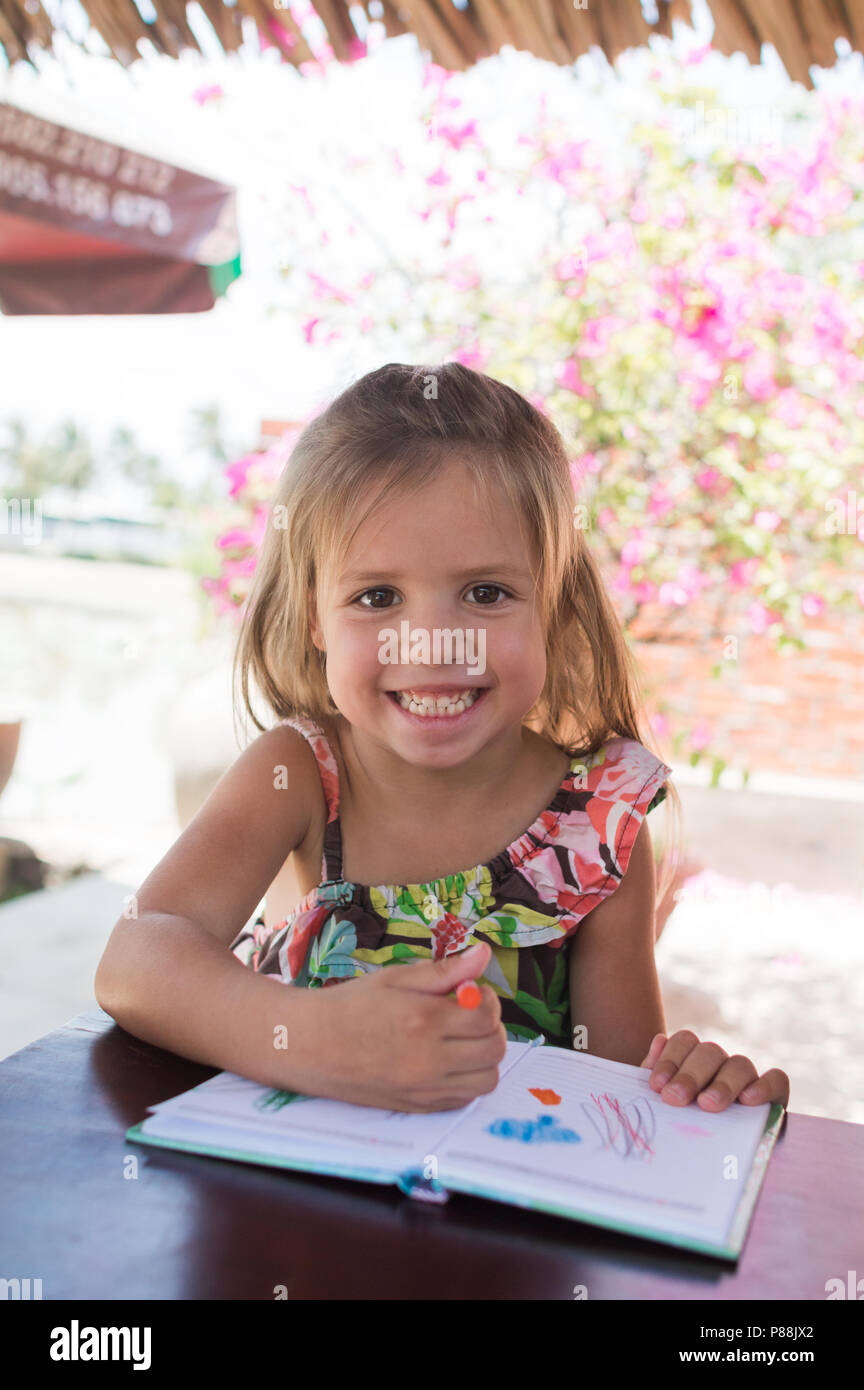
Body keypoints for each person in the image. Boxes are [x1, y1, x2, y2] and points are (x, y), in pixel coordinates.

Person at [95, 362, 790, 1116]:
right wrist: (312, 1038)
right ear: (316, 619)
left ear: (553, 610)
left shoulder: (601, 817)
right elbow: (134, 959)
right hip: (294, 1218)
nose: (431, 646)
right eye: (378, 597)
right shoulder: (300, 772)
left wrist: (696, 1087)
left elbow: (621, 1095)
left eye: (486, 593)